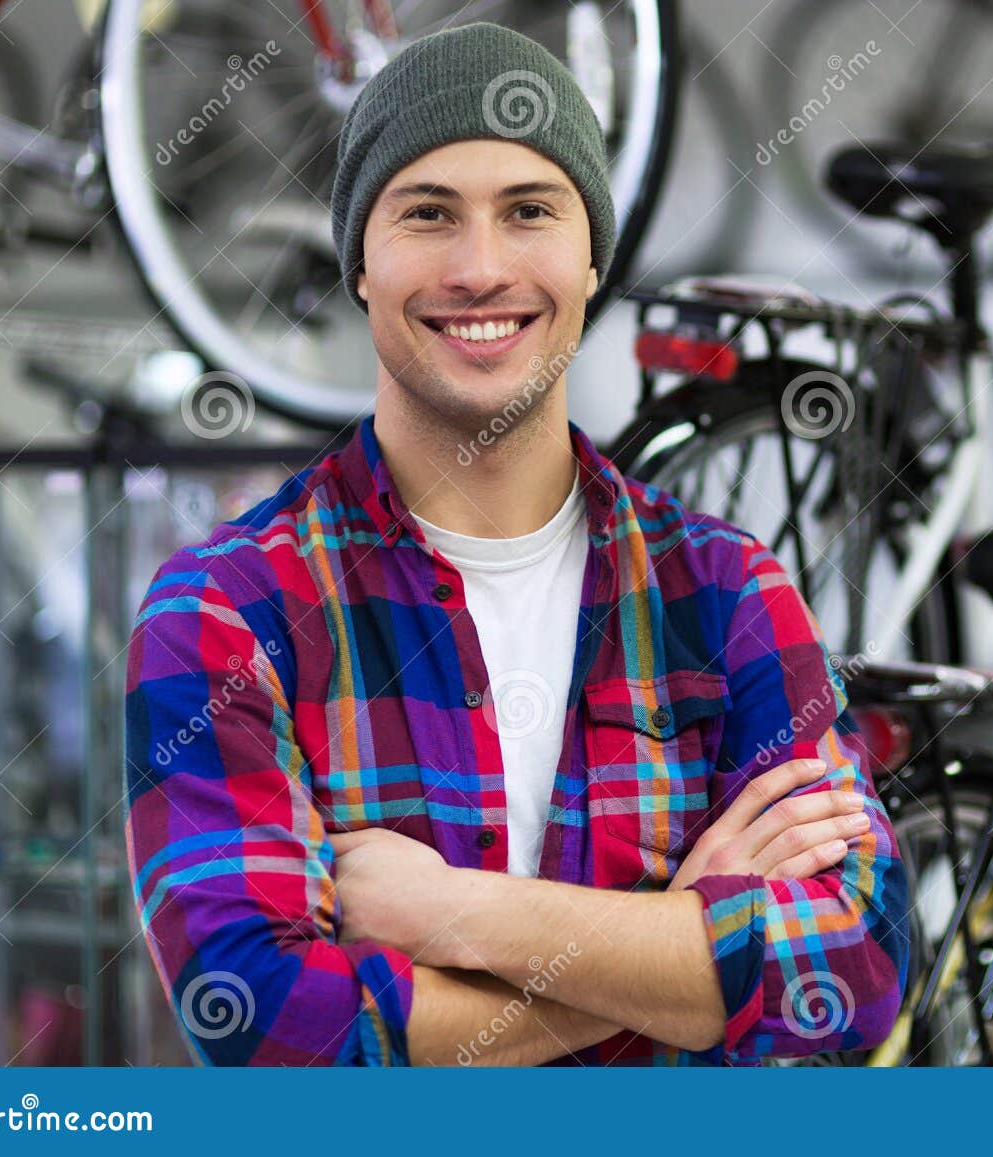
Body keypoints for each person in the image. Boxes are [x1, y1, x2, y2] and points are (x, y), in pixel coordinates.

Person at [123, 21, 908, 1066]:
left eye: (530, 211)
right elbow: (270, 1029)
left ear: (592, 263)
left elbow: (850, 974)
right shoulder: (228, 611)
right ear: (360, 260)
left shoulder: (723, 591)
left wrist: (459, 914)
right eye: (427, 214)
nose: (481, 267)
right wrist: (674, 942)